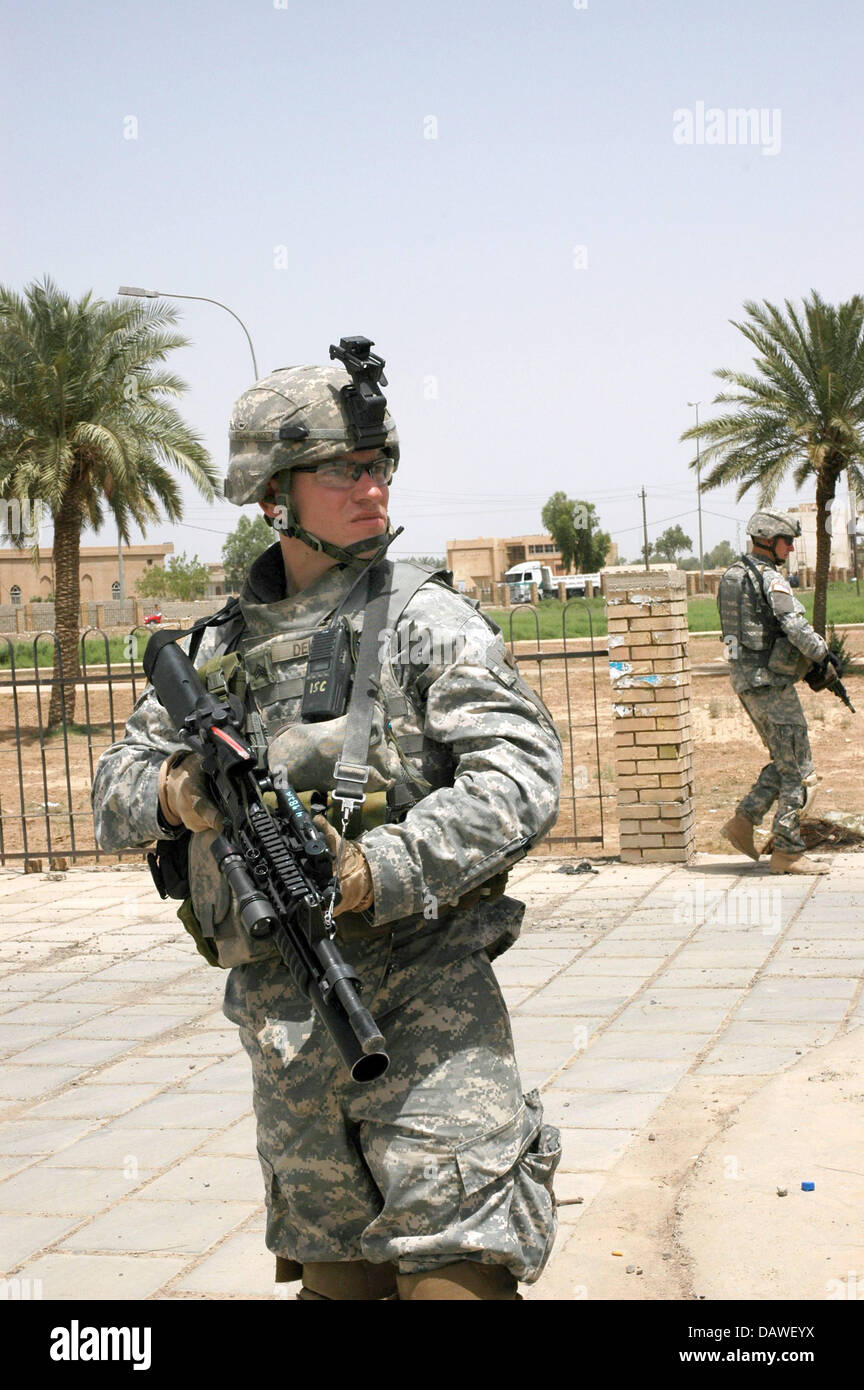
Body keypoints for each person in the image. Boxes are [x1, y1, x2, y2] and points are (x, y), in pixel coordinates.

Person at [92, 339, 563, 1301]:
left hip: (428, 1010)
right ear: (275, 492)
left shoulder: (428, 620)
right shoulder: (215, 650)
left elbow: (522, 776)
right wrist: (183, 791)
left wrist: (371, 868)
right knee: (337, 1285)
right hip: (286, 1027)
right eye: (345, 469)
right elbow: (111, 789)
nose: (373, 487)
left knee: (456, 1275)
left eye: (380, 464)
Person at [718, 508, 837, 874]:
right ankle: (787, 852)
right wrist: (823, 654)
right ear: (768, 540)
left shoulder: (733, 576)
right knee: (800, 770)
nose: (790, 547)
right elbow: (796, 626)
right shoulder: (770, 579)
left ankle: (743, 821)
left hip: (745, 681)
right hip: (771, 683)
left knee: (784, 760)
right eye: (787, 541)